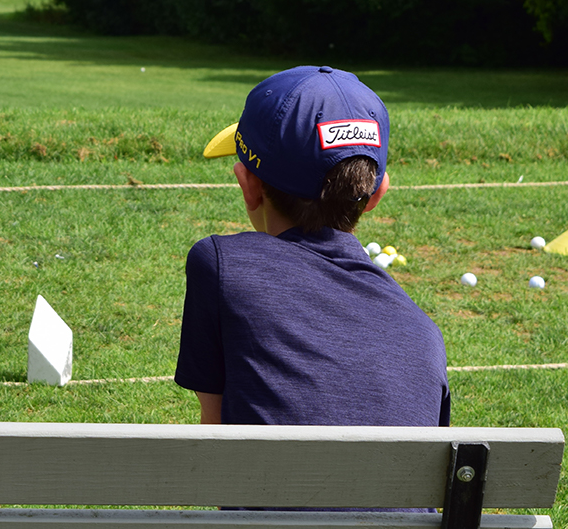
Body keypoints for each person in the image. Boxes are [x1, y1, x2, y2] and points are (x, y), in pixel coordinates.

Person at [175, 66, 450, 429]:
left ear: (249, 187)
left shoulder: (223, 265)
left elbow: (214, 439)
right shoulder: (425, 334)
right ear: (376, 195)